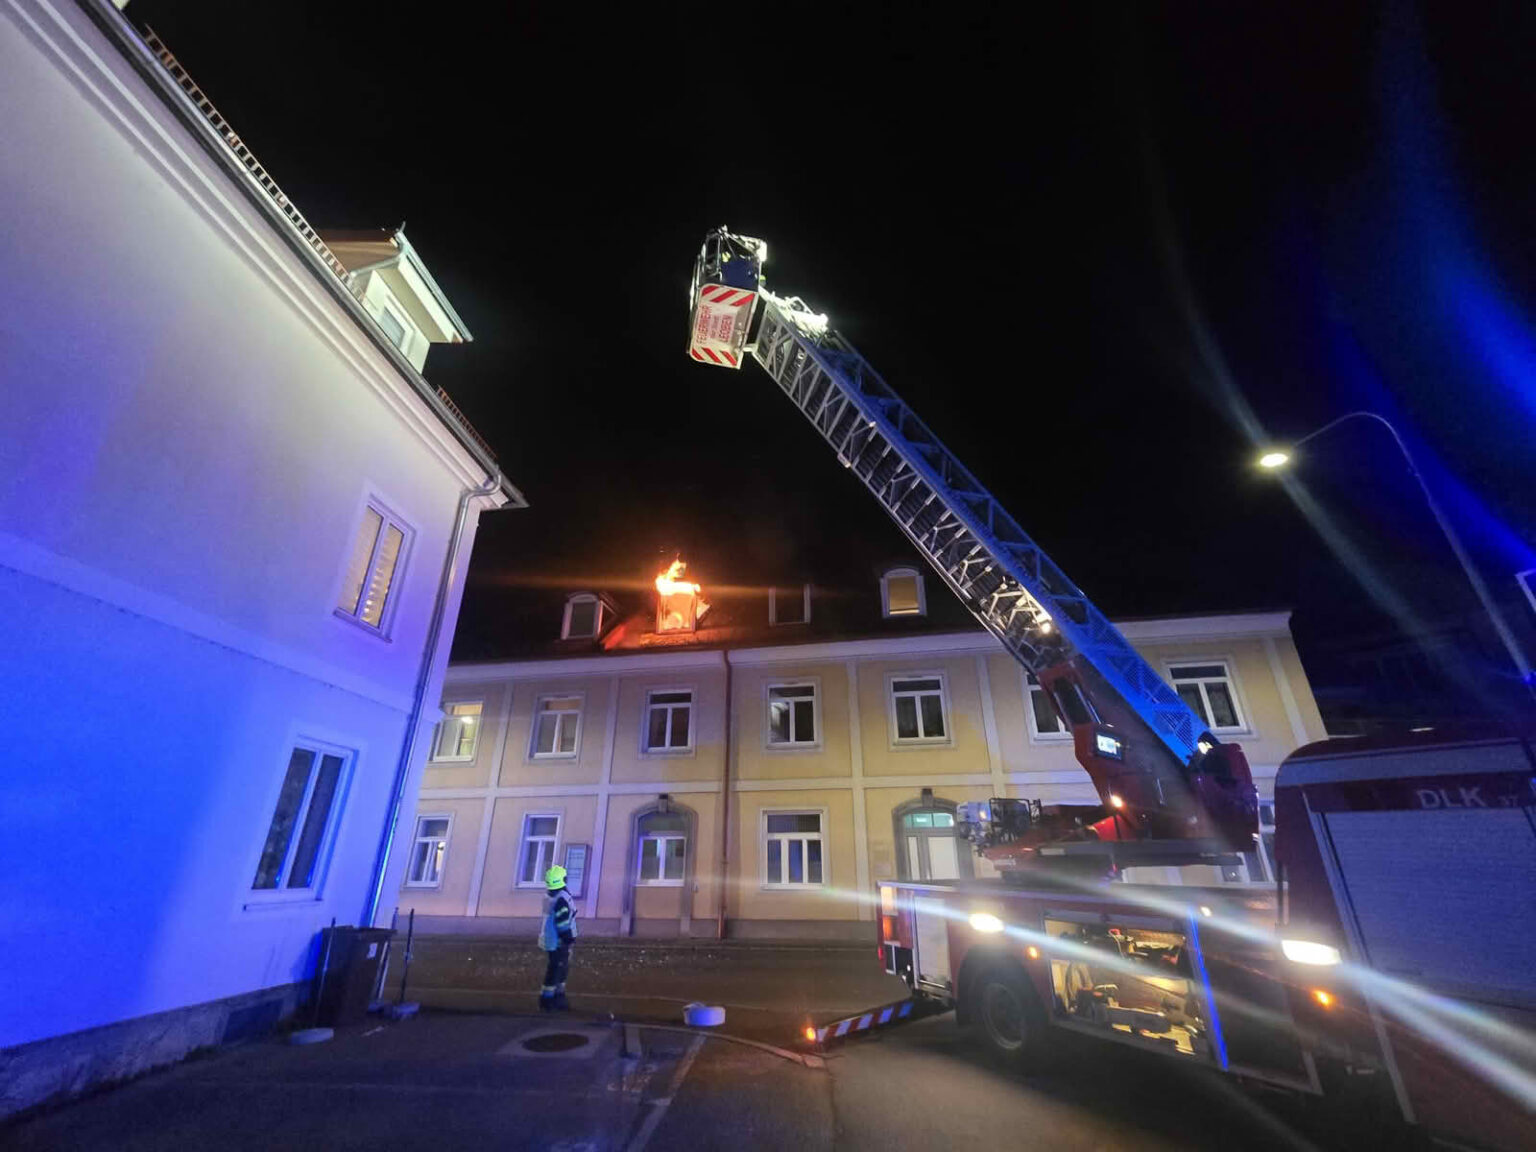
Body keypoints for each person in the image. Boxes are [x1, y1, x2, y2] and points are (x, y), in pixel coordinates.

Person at [538, 864, 578, 1012]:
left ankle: (555, 996)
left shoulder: (550, 896)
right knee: (557, 968)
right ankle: (549, 1000)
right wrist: (567, 937)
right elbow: (562, 923)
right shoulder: (561, 899)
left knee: (558, 967)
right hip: (558, 941)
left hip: (551, 939)